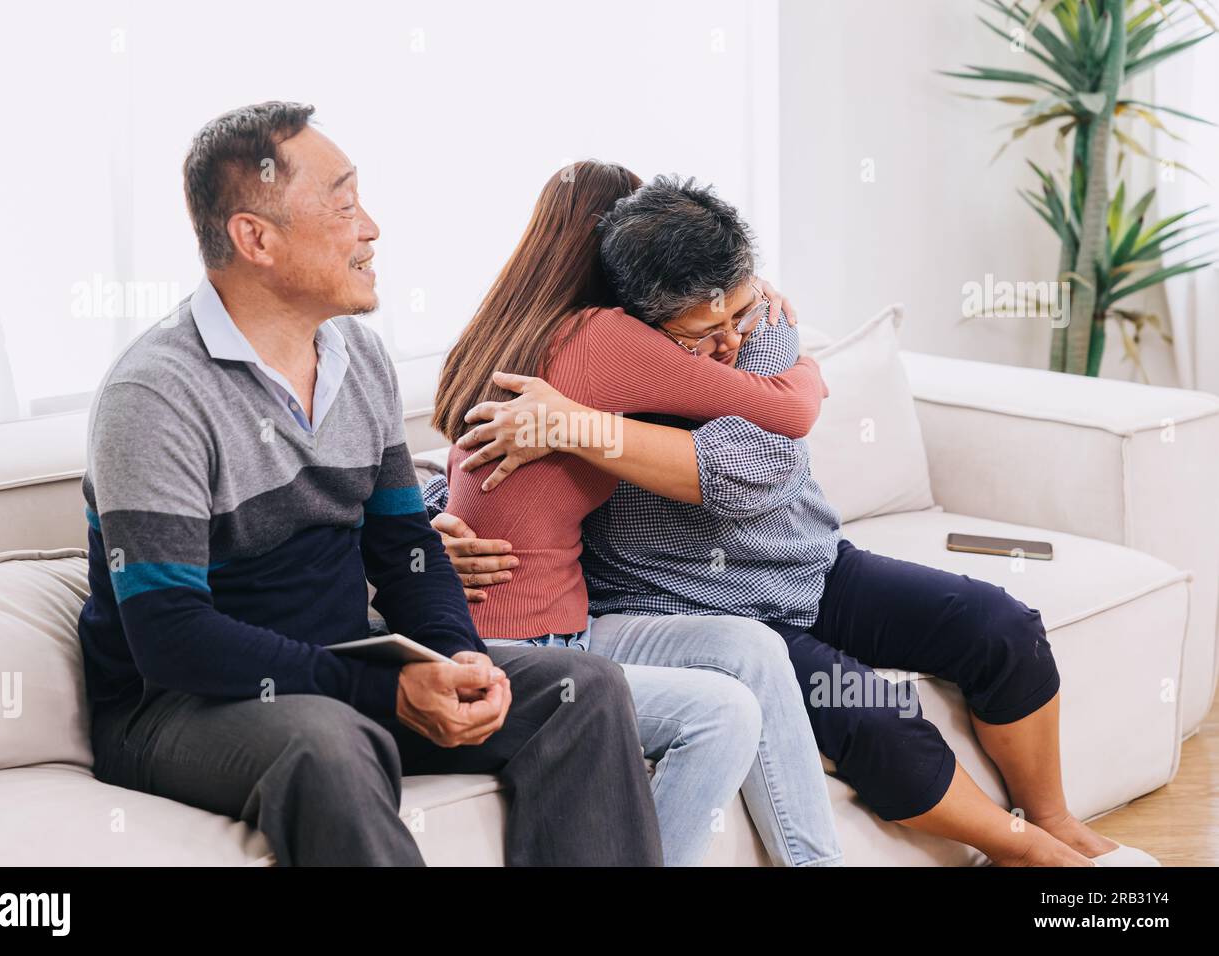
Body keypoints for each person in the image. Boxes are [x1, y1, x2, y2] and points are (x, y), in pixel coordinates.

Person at [432, 174, 1160, 867]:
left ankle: (1056, 818)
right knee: (875, 715)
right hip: (687, 603)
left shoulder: (762, 322)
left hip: (810, 565)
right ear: (636, 315)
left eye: (736, 313)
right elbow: (481, 465)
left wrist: (592, 425)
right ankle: (1016, 846)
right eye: (700, 333)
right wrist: (437, 531)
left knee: (1000, 626)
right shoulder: (606, 355)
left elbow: (763, 471)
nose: (729, 345)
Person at [76, 103, 663, 867]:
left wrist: (455, 656)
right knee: (328, 740)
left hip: (334, 669)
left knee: (584, 691)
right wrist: (384, 692)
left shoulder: (359, 358)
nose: (372, 228)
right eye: (345, 205)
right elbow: (171, 639)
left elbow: (403, 547)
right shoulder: (155, 395)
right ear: (256, 238)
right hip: (177, 707)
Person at [428, 162, 842, 867]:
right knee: (722, 713)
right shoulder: (602, 339)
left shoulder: (514, 335)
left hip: (565, 627)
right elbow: (789, 411)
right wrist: (792, 348)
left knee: (755, 649)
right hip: (531, 648)